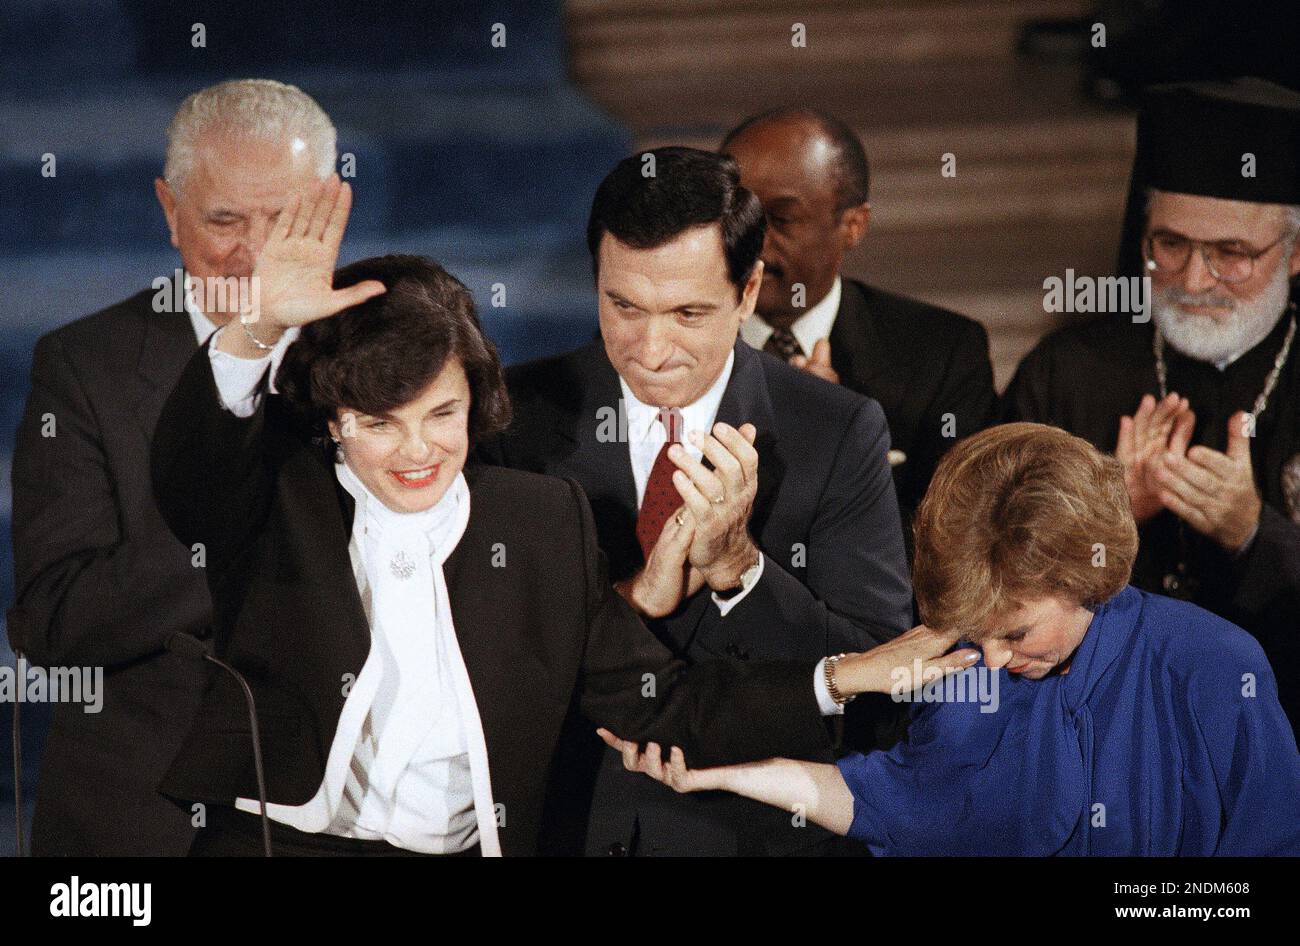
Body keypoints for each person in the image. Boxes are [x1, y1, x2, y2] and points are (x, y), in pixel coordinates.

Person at [149, 177, 948, 857]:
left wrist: (842, 675)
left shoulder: (532, 519)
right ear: (333, 422)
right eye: (379, 422)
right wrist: (254, 332)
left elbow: (665, 704)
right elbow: (193, 483)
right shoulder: (290, 495)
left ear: (475, 405)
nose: (415, 450)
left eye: (441, 414)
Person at [480, 146, 913, 855]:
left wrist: (745, 570)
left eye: (687, 313)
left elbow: (875, 673)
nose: (650, 349)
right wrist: (630, 600)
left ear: (747, 294)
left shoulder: (834, 431)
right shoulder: (514, 418)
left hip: (753, 833)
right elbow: (489, 660)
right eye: (623, 306)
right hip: (570, 824)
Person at [604, 423, 1300, 856]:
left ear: (1088, 573)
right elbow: (892, 804)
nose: (991, 659)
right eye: (980, 633)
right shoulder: (971, 674)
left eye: (1017, 632)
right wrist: (715, 776)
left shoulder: (1217, 667)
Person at [6, 78, 327, 855]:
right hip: (141, 819)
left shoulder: (392, 349)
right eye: (224, 220)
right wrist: (238, 524)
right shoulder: (87, 368)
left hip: (351, 816)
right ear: (169, 210)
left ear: (327, 210)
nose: (252, 254)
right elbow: (54, 619)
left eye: (282, 220)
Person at [1003, 77, 1300, 732]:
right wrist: (1111, 518)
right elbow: (976, 578)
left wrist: (1257, 532)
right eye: (1171, 245)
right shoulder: (1065, 374)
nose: (1195, 281)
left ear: (1296, 253)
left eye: (1231, 254)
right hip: (1096, 729)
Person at [721, 108, 997, 553]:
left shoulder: (942, 353)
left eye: (782, 219)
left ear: (853, 226)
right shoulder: (666, 345)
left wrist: (830, 444)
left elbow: (957, 544)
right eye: (739, 214)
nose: (753, 240)